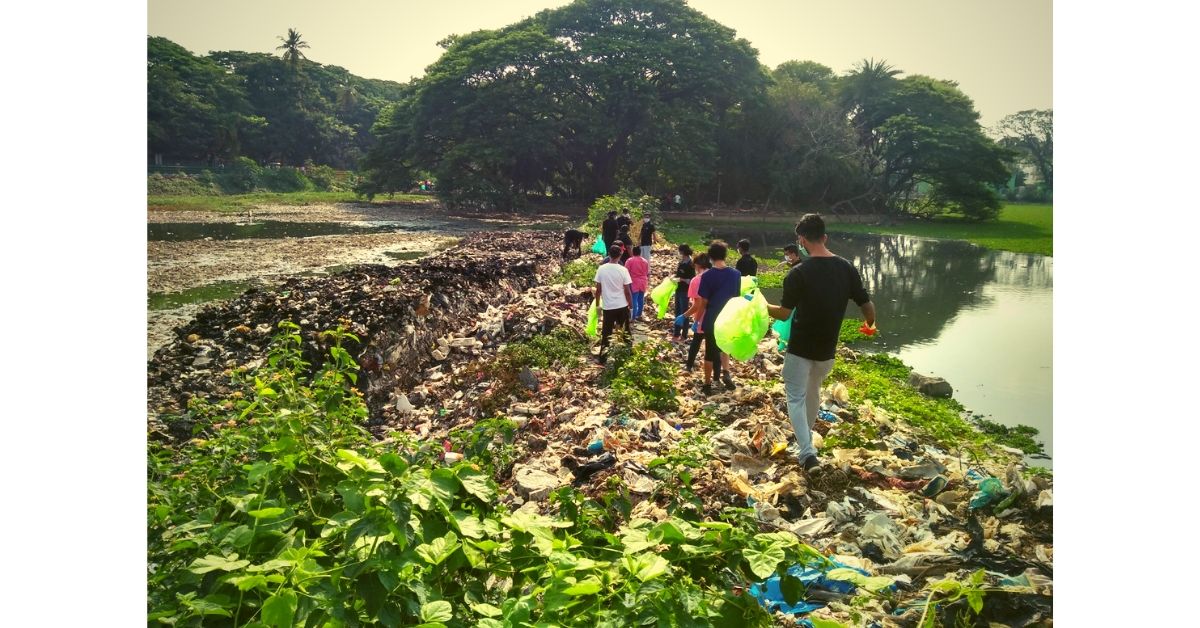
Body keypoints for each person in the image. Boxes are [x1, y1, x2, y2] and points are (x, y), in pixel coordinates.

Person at [765, 214, 876, 473]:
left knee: (795, 397)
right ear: (824, 237)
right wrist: (870, 324)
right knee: (813, 392)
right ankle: (804, 442)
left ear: (801, 241)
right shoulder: (847, 268)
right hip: (827, 351)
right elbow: (865, 303)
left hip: (801, 348)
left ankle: (807, 454)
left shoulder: (798, 273)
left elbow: (783, 313)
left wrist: (759, 304)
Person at [695, 241, 741, 393]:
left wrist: (697, 320)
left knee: (709, 352)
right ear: (725, 255)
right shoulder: (736, 274)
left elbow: (703, 302)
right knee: (725, 346)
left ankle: (707, 384)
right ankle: (726, 373)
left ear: (710, 257)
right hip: (728, 317)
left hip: (712, 317)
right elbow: (736, 298)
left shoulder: (707, 276)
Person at [593, 245, 634, 364]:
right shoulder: (623, 270)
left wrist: (597, 305)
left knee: (606, 333)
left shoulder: (601, 269)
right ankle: (628, 355)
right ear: (620, 255)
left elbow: (598, 290)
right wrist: (631, 306)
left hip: (608, 307)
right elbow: (627, 291)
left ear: (609, 254)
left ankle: (603, 358)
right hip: (622, 305)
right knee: (625, 331)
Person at [681, 253, 710, 370]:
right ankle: (716, 374)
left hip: (701, 317)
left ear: (697, 265)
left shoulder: (696, 280)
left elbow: (698, 305)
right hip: (716, 315)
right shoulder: (716, 277)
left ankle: (689, 366)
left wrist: (685, 316)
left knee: (696, 342)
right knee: (712, 346)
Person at [671, 244, 695, 341]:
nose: (679, 253)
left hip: (685, 291)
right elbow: (678, 275)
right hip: (678, 289)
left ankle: (684, 335)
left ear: (683, 252)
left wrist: (682, 279)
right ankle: (676, 334)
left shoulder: (690, 264)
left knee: (684, 312)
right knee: (677, 311)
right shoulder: (681, 262)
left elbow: (691, 280)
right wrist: (674, 278)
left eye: (680, 251)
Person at [625, 246, 650, 320]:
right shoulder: (645, 261)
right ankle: (639, 314)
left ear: (633, 252)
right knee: (641, 298)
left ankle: (633, 315)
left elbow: (626, 271)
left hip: (634, 281)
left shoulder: (630, 260)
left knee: (634, 299)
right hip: (643, 281)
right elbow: (647, 272)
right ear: (640, 252)